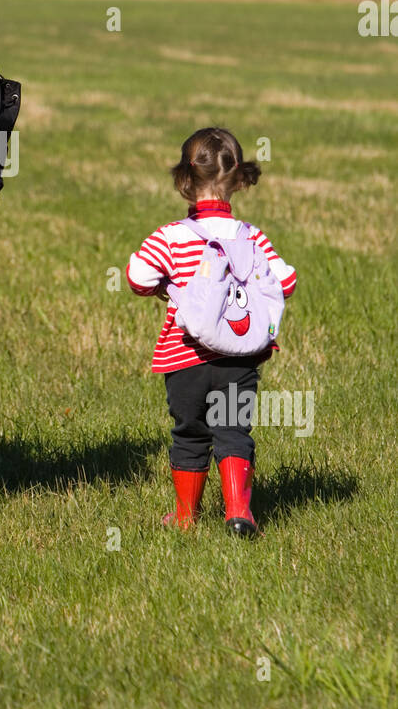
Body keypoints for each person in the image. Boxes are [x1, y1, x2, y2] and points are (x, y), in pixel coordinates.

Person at [126, 127, 297, 536]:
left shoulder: (172, 236)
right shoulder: (251, 237)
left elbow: (136, 278)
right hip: (239, 360)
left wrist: (168, 288)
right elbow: (285, 282)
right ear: (239, 180)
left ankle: (186, 518)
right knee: (234, 432)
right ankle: (240, 511)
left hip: (185, 358)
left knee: (190, 434)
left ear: (185, 181)